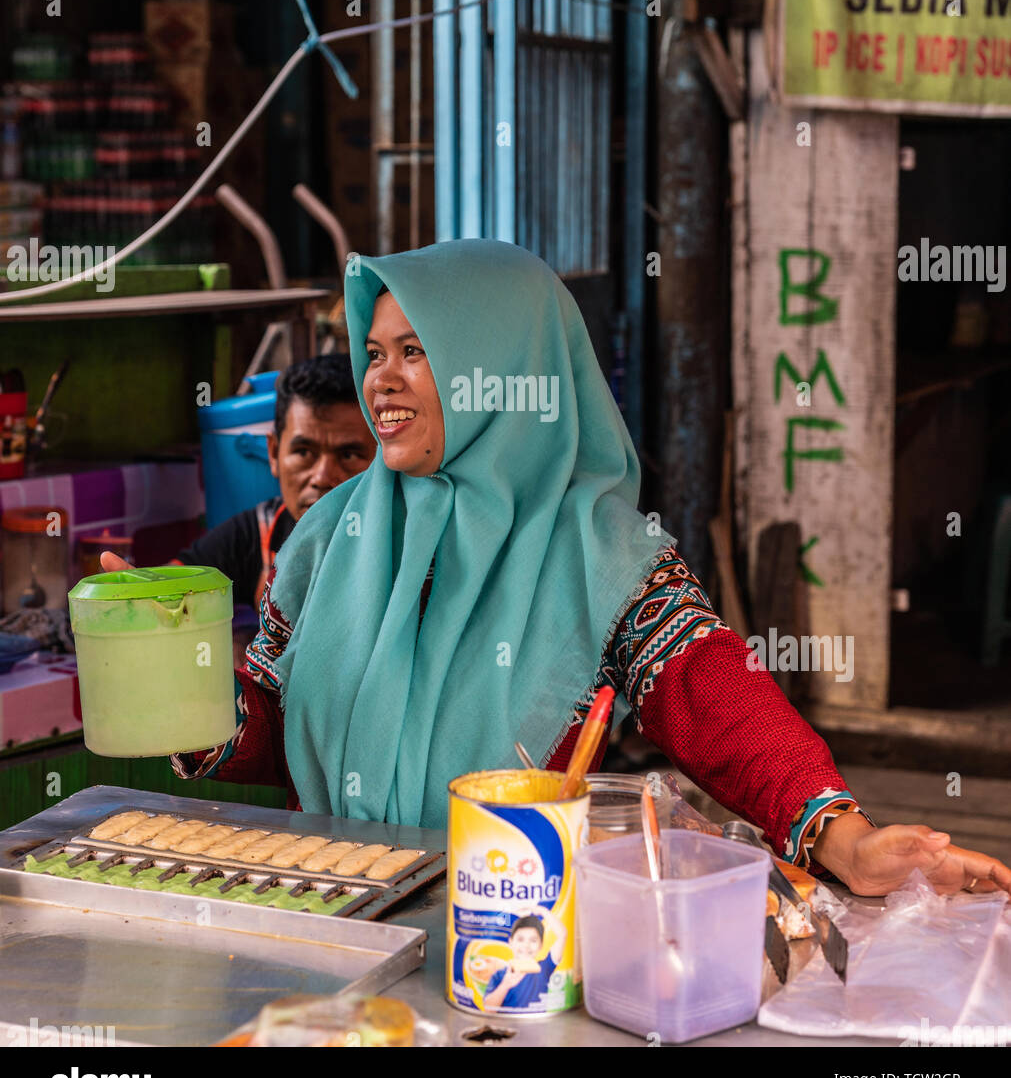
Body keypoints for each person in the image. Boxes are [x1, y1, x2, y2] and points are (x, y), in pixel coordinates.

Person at [111, 240, 1010, 899]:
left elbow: (717, 700)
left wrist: (843, 839)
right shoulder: (327, 538)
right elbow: (266, 724)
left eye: (416, 352)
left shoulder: (599, 552)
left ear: (503, 371)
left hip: (513, 933)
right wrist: (173, 674)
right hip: (330, 909)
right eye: (374, 352)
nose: (380, 379)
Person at [177, 354, 375, 608]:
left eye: (348, 455)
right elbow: (171, 588)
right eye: (304, 452)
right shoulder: (255, 532)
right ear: (273, 454)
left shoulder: (408, 545)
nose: (322, 478)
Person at [484, 907, 566, 1012]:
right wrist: (506, 984)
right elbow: (488, 1009)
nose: (526, 945)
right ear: (511, 942)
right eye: (520, 939)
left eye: (533, 940)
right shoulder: (500, 975)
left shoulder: (544, 967)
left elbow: (562, 935)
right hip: (504, 1026)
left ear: (541, 945)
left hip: (537, 1024)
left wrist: (543, 911)